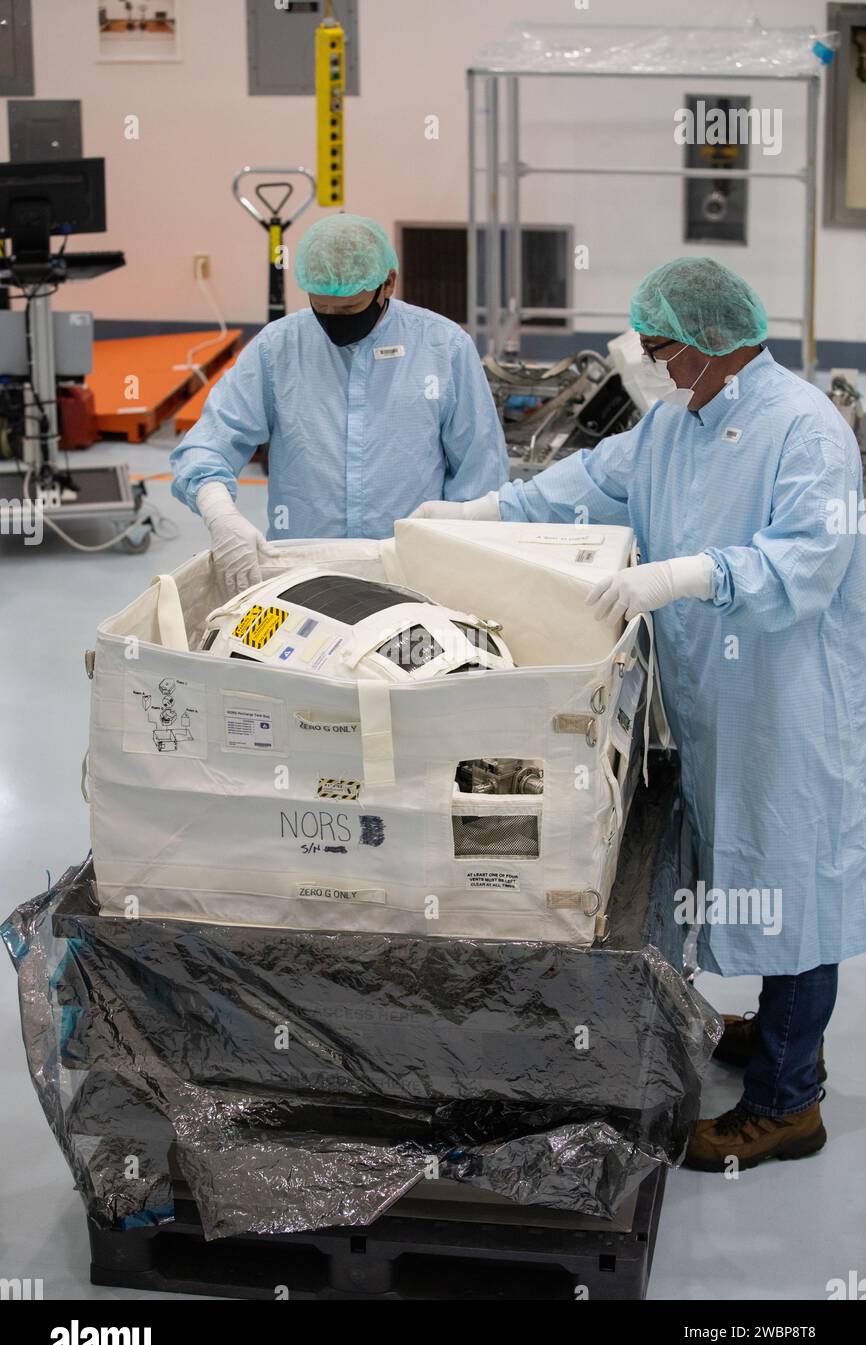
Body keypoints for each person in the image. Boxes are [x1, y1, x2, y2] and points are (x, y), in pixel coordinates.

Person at [415, 256, 866, 1172]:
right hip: (712, 699)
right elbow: (585, 481)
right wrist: (472, 513)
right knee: (739, 862)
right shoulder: (675, 423)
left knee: (796, 880)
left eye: (665, 349)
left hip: (787, 703)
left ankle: (789, 1104)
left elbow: (809, 562)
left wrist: (687, 573)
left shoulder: (806, 431)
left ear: (716, 344)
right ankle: (783, 1033)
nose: (656, 366)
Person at [170, 213, 508, 595]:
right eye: (322, 309)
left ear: (388, 284)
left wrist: (464, 565)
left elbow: (481, 475)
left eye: (348, 310)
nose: (334, 322)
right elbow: (206, 445)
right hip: (301, 572)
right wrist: (220, 514)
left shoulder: (443, 348)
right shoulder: (278, 348)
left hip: (413, 572)